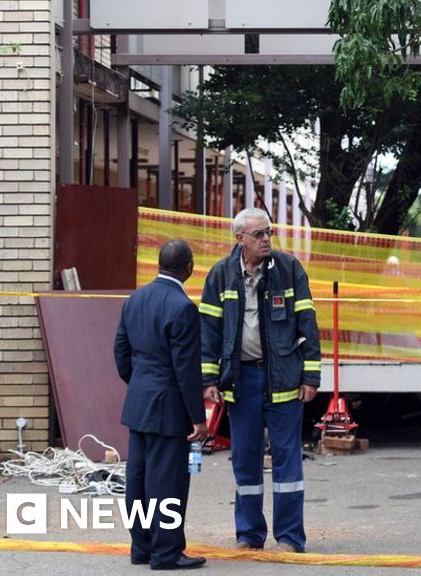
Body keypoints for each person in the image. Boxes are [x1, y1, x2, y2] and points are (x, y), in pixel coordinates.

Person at [200, 207, 321, 553]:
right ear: (240, 239)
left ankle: (289, 538)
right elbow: (208, 333)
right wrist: (209, 380)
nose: (267, 239)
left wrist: (310, 374)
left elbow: (307, 325)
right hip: (241, 381)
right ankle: (249, 535)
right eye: (259, 234)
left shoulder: (288, 269)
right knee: (245, 459)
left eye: (269, 232)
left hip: (283, 379)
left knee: (287, 460)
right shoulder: (221, 275)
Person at [115, 239, 208, 571]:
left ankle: (141, 547)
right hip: (169, 410)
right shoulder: (182, 308)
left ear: (159, 264)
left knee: (137, 481)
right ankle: (166, 553)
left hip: (139, 404)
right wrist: (198, 418)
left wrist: (140, 385)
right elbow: (186, 370)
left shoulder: (135, 299)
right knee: (167, 483)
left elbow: (121, 353)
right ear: (189, 269)